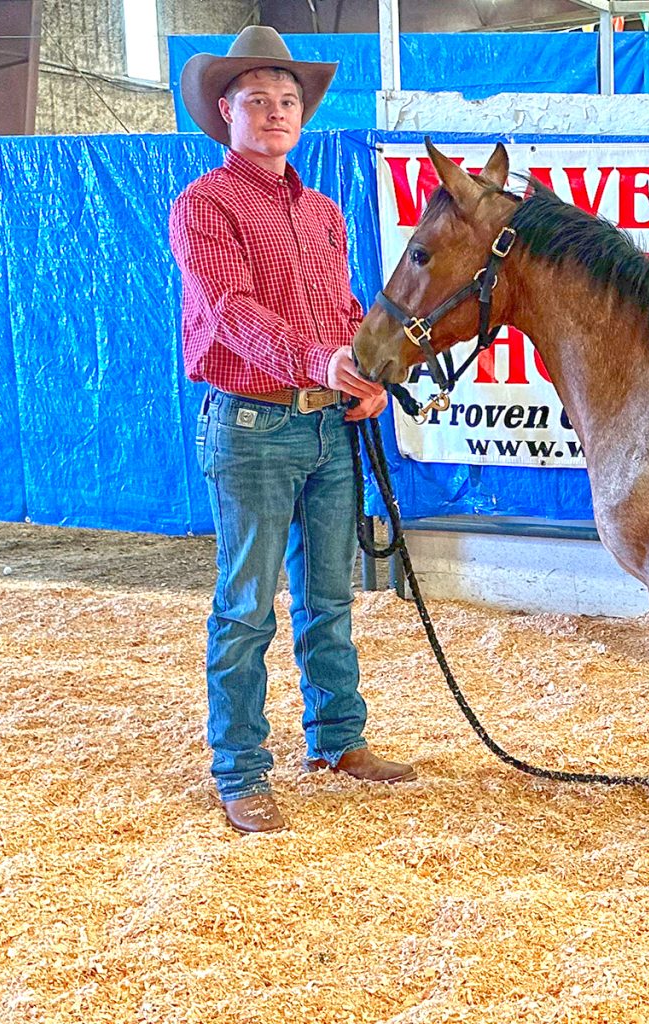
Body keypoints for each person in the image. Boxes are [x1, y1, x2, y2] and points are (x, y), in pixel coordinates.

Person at [170, 27, 411, 834]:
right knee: (246, 607)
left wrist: (370, 377)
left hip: (324, 427)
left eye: (287, 102)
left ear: (301, 115)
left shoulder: (323, 212)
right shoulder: (204, 205)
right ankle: (239, 769)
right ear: (224, 111)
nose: (275, 113)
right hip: (251, 424)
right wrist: (322, 360)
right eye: (258, 101)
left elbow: (344, 310)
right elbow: (230, 314)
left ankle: (338, 739)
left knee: (327, 597)